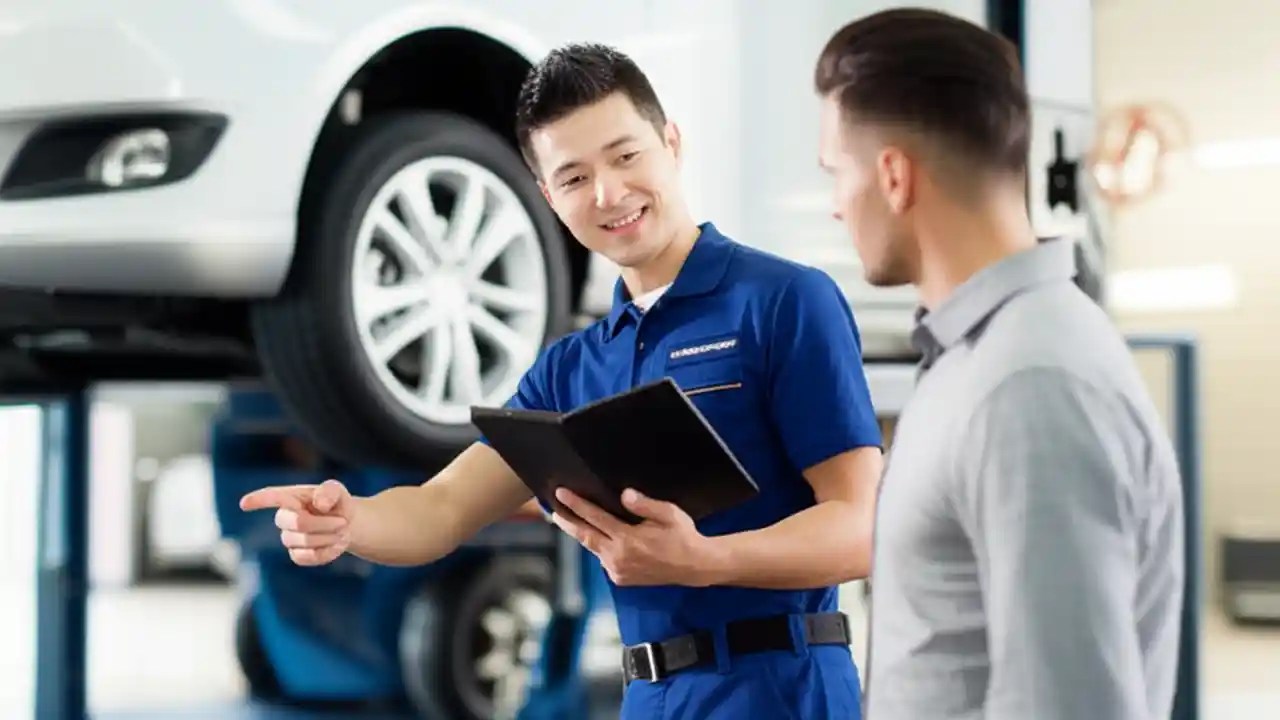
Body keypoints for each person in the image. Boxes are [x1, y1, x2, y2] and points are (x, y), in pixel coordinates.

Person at [241, 42, 884, 719]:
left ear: (671, 143)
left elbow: (861, 527)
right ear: (548, 196)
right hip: (652, 698)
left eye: (626, 156)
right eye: (574, 178)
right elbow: (440, 511)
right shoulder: (568, 370)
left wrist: (705, 559)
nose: (609, 193)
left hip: (783, 687)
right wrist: (349, 521)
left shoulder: (783, 301)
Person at [811, 9, 1186, 720]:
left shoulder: (1030, 385)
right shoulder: (981, 357)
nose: (834, 206)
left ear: (892, 176)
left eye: (836, 172)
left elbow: (1074, 708)